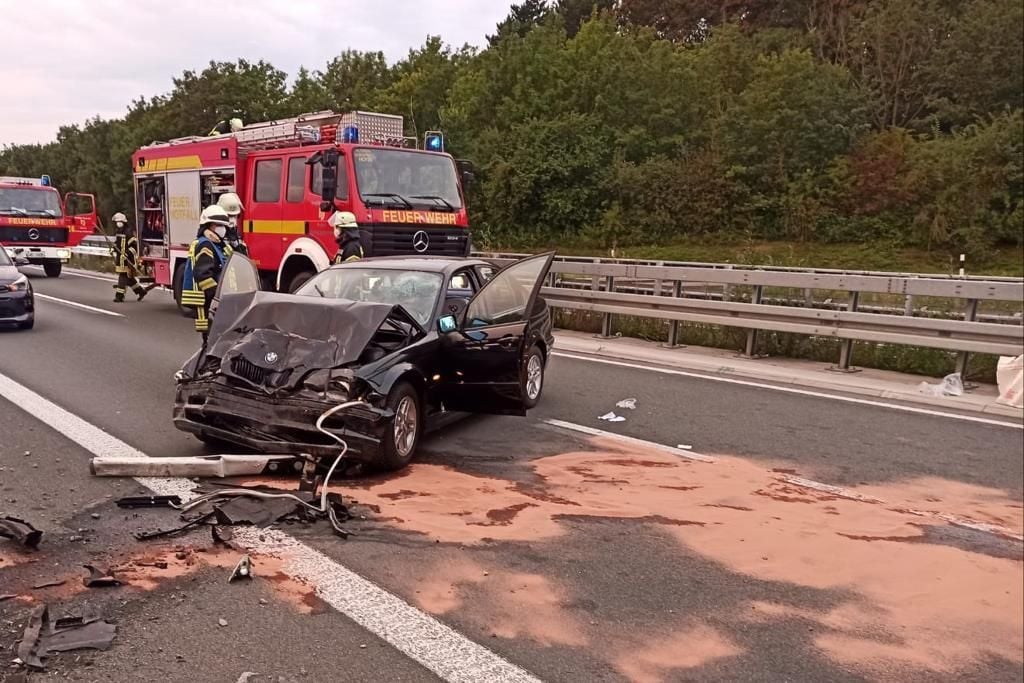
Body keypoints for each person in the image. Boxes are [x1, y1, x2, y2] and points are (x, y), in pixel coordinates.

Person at [181, 205, 231, 337]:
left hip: (215, 300)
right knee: (212, 336)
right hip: (208, 300)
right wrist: (217, 296)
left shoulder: (217, 245)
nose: (222, 228)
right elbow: (202, 275)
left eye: (223, 225)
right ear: (208, 226)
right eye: (218, 225)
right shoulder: (205, 244)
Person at [110, 212, 155, 303]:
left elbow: (135, 247)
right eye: (116, 222)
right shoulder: (118, 231)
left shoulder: (129, 232)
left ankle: (119, 296)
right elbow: (117, 243)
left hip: (128, 260)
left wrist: (127, 254)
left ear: (123, 221)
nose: (117, 223)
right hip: (120, 259)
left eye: (118, 222)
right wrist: (113, 248)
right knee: (129, 278)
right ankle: (141, 292)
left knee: (122, 277)